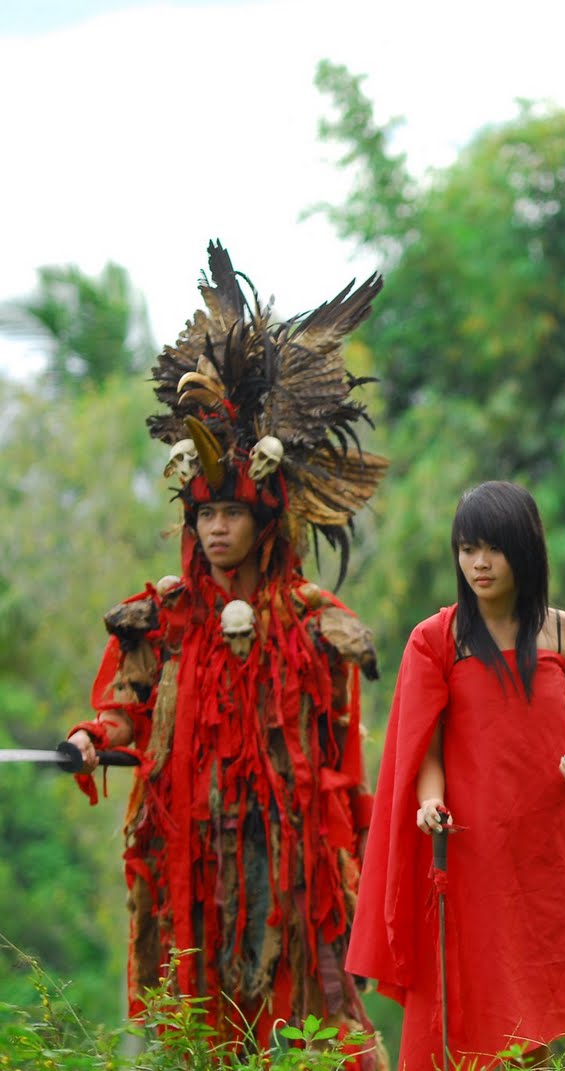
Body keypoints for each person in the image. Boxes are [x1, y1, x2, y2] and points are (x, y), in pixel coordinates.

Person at [64, 242, 390, 1064]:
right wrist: (92, 739)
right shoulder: (162, 617)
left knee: (312, 1022)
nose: (216, 527)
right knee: (198, 1030)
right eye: (204, 512)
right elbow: (124, 706)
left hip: (295, 864)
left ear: (265, 518)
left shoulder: (319, 623)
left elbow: (344, 758)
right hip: (193, 860)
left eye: (233, 511)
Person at [348, 480, 565, 1070]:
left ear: (526, 550)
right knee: (469, 1005)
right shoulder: (436, 639)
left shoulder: (564, 633)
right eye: (468, 549)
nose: (479, 564)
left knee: (535, 1013)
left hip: (546, 849)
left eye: (493, 548)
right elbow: (427, 751)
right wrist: (429, 804)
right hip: (470, 854)